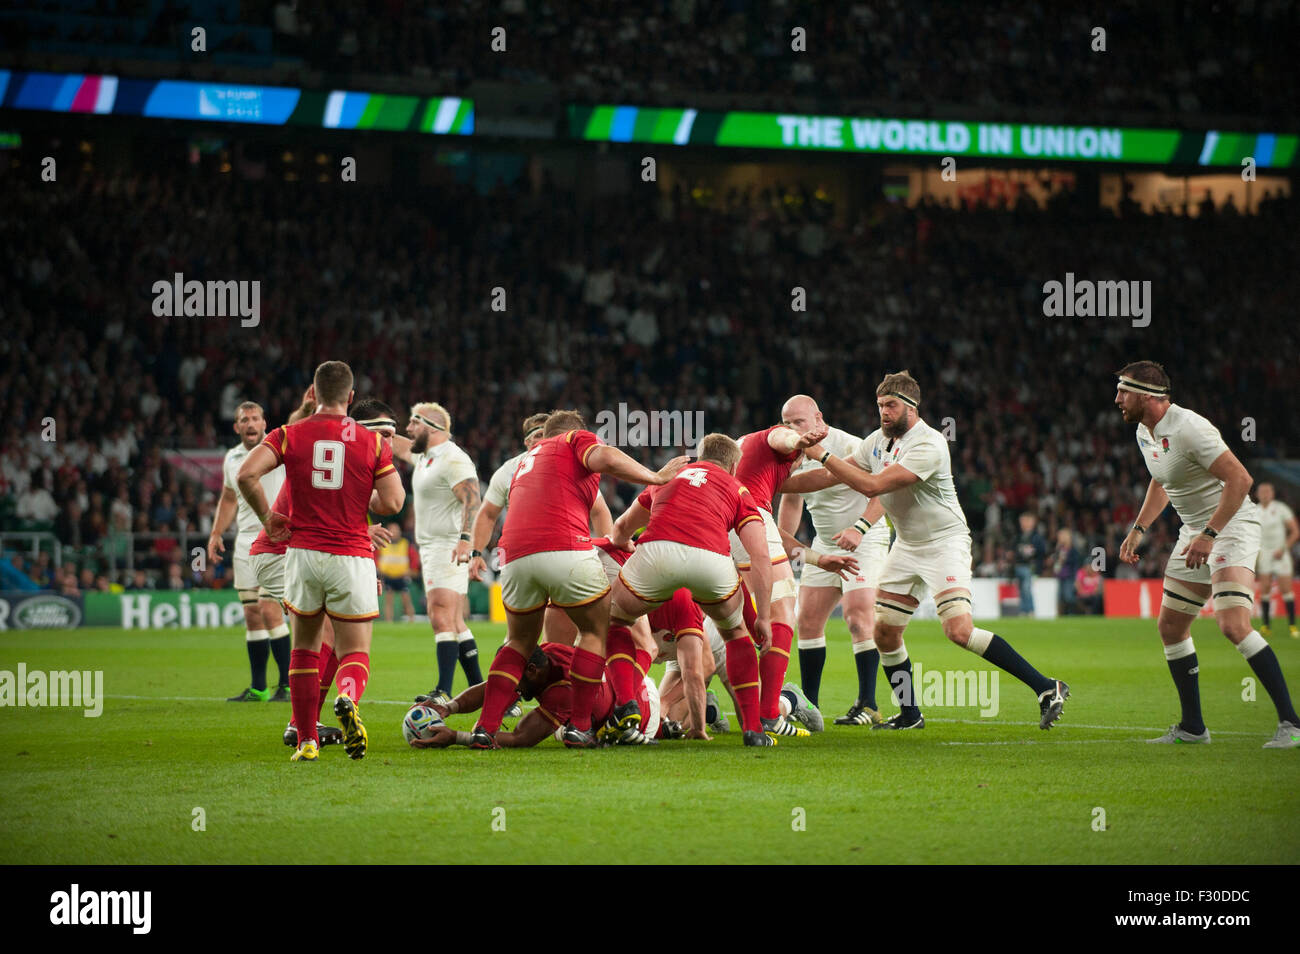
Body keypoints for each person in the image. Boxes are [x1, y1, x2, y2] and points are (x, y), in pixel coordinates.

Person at [782, 370, 1070, 731]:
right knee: (884, 632)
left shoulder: (929, 444)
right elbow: (828, 478)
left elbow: (872, 486)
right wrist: (776, 481)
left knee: (958, 631)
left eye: (891, 406)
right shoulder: (876, 441)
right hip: (906, 545)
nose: (884, 413)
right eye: (880, 406)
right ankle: (910, 713)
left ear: (911, 408)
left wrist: (820, 453)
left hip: (943, 544)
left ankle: (1046, 687)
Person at [466, 409, 685, 750]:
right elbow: (606, 457)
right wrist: (655, 478)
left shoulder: (521, 463)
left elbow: (494, 512)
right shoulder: (572, 439)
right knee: (596, 631)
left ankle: (485, 729)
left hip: (513, 556)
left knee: (518, 643)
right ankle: (580, 726)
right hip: (564, 547)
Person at [1114, 361, 1298, 747]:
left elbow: (1241, 479)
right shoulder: (1144, 432)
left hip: (1230, 526)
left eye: (1123, 392)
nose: (1117, 400)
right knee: (1170, 627)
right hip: (1195, 532)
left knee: (1232, 624)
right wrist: (1139, 528)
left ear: (1147, 396)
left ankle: (1292, 724)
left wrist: (1210, 534)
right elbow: (1162, 480)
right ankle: (1193, 728)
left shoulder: (1189, 427)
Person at [237, 360, 406, 762]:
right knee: (355, 650)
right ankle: (347, 698)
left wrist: (268, 517)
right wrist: (364, 496)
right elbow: (395, 502)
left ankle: (307, 740)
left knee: (306, 647)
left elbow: (246, 476)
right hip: (350, 553)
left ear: (313, 393)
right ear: (350, 397)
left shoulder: (288, 434)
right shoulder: (372, 442)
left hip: (302, 554)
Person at [607, 432, 779, 746]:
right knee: (736, 632)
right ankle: (754, 730)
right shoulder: (737, 488)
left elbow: (621, 529)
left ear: (701, 456)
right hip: (710, 559)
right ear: (733, 466)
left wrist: (623, 545)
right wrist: (764, 617)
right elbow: (760, 556)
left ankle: (625, 702)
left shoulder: (667, 478)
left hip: (656, 553)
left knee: (615, 621)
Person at [776, 393, 889, 726]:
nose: (792, 429)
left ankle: (868, 703)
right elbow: (790, 510)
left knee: (857, 617)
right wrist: (794, 551)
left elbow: (883, 491)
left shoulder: (852, 446)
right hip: (826, 543)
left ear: (818, 419)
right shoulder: (789, 456)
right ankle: (810, 705)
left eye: (798, 422)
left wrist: (860, 528)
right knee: (807, 622)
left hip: (865, 538)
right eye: (786, 424)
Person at [730, 416, 829, 737]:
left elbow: (816, 480)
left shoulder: (751, 455)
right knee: (783, 607)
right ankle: (771, 712)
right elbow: (783, 438)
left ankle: (707, 708)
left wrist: (818, 558)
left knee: (736, 623)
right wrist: (799, 442)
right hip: (748, 518)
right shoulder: (774, 439)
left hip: (720, 521)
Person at [389, 403, 484, 703]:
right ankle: (483, 692)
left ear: (430, 427)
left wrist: (467, 539)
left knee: (440, 615)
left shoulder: (453, 459)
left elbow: (472, 499)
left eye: (413, 424)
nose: (408, 429)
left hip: (448, 545)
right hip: (432, 546)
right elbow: (394, 443)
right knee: (455, 622)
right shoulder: (426, 456)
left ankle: (443, 691)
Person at [209, 401, 290, 703]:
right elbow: (229, 497)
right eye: (245, 419)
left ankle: (287, 684)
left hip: (275, 539)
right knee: (252, 614)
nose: (251, 423)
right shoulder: (232, 458)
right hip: (244, 542)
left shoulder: (277, 448)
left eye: (255, 418)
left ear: (264, 422)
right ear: (237, 426)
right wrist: (217, 532)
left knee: (270, 610)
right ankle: (259, 687)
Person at [1254, 482, 1298, 638]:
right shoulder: (1254, 511)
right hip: (1264, 553)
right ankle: (1266, 626)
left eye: (1268, 491)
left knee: (1286, 589)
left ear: (1272, 493)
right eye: (1262, 491)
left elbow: (1295, 531)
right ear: (1257, 494)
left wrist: (1284, 548)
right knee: (1264, 589)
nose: (1265, 494)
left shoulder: (1281, 508)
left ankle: (1293, 626)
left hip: (1281, 552)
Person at [377, 522, 416, 623]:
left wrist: (411, 571)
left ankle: (412, 621)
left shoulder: (405, 544)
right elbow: (376, 558)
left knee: (406, 600)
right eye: (391, 530)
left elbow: (413, 560)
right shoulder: (382, 544)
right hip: (388, 576)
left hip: (402, 577)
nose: (394, 532)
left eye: (396, 530)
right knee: (388, 600)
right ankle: (388, 622)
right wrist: (379, 570)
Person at [1012, 512, 1047, 616]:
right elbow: (1014, 549)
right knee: (1022, 589)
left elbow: (1041, 551)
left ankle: (1030, 610)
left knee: (1026, 588)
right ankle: (1024, 610)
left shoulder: (1036, 537)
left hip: (1029, 566)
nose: (1022, 524)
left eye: (1024, 521)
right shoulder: (1019, 536)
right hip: (1019, 565)